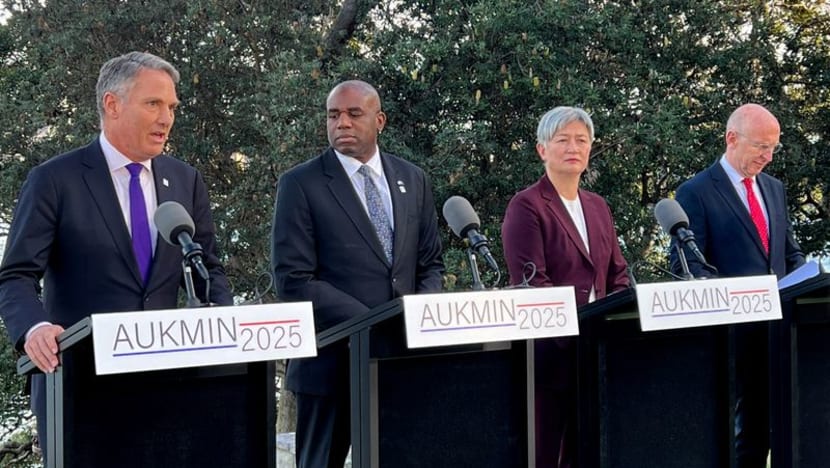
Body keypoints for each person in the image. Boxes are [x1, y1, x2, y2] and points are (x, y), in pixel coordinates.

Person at [0, 51, 232, 464]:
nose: (167, 118)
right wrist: (33, 328)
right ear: (112, 104)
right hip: (78, 387)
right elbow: (16, 275)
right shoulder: (54, 180)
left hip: (168, 389)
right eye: (153, 104)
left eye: (172, 107)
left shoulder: (184, 179)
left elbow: (206, 266)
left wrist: (224, 324)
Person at [271, 80, 445, 468]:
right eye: (334, 115)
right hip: (330, 369)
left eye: (354, 114)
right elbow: (292, 279)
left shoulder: (412, 179)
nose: (342, 123)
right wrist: (373, 322)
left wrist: (419, 314)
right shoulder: (301, 184)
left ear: (379, 120)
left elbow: (430, 263)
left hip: (401, 362)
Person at [671, 103, 805, 468]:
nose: (768, 156)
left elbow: (789, 254)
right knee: (742, 440)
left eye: (773, 147)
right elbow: (688, 265)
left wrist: (807, 281)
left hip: (780, 335)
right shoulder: (695, 191)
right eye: (761, 146)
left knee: (786, 429)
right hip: (730, 341)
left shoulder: (774, 189)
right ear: (732, 139)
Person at [501, 106, 630, 468]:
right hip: (550, 359)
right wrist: (577, 336)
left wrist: (611, 332)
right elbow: (532, 284)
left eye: (581, 140)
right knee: (544, 456)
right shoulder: (526, 206)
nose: (573, 147)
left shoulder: (598, 206)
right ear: (542, 149)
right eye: (563, 140)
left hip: (598, 356)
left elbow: (617, 275)